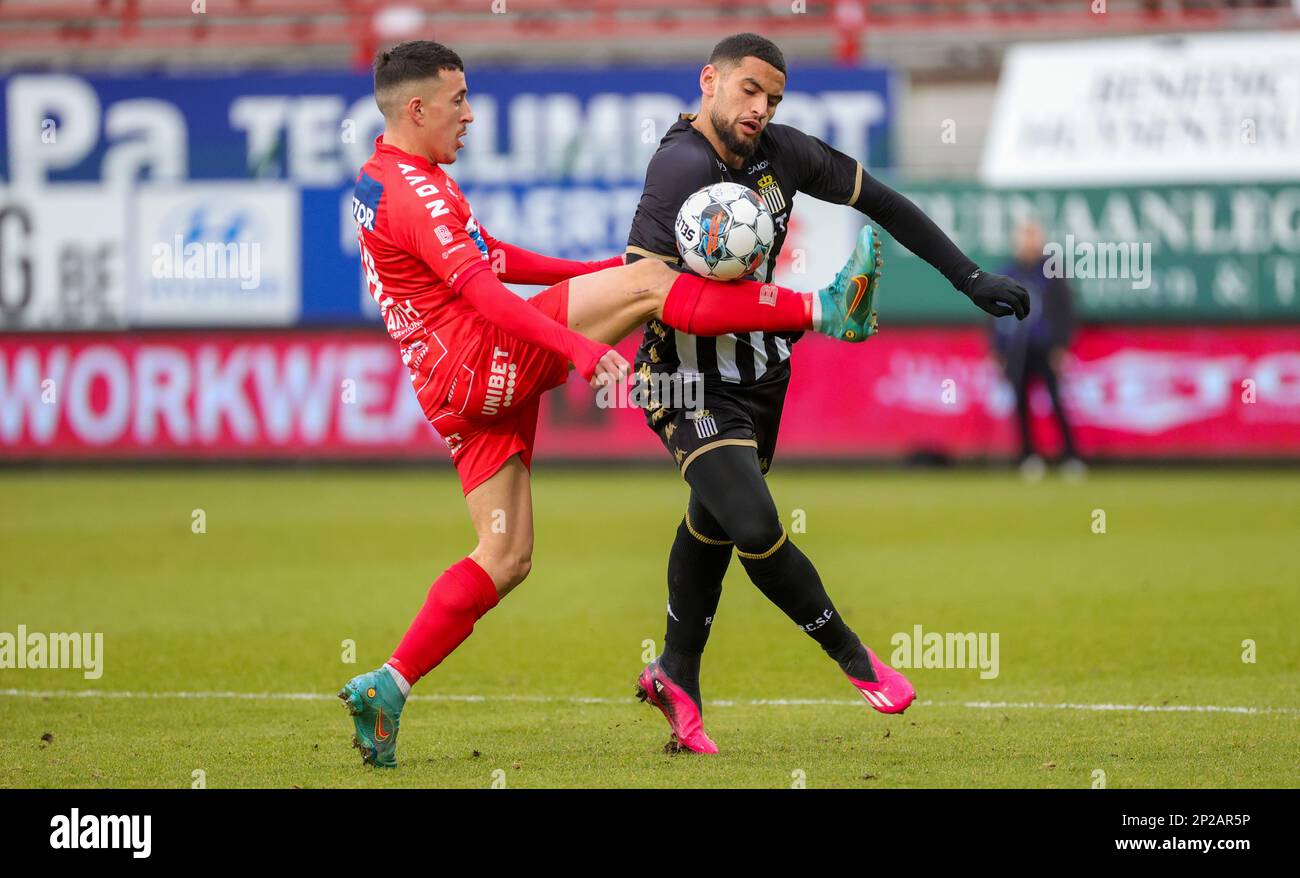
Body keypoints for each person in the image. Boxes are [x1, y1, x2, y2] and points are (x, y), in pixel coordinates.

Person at [337, 40, 893, 767]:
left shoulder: (387, 180)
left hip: (452, 394)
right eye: (458, 101)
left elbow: (493, 256)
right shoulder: (418, 193)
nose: (469, 116)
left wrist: (605, 270)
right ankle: (823, 309)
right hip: (479, 361)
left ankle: (390, 685)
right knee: (654, 287)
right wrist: (581, 347)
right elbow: (483, 292)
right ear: (416, 109)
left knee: (504, 555)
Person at [626, 33, 1031, 753]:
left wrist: (969, 279)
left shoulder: (784, 153)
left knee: (713, 522)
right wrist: (807, 306)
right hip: (685, 375)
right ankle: (853, 656)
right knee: (753, 523)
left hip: (761, 375)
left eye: (773, 98)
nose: (760, 108)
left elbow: (884, 202)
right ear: (709, 82)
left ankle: (676, 674)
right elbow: (649, 294)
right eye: (749, 91)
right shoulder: (677, 168)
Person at [989, 219, 1083, 481]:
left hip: (1045, 347)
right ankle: (1028, 456)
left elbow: (1066, 311)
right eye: (1024, 238)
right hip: (1017, 350)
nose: (1028, 243)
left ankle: (1070, 456)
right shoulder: (1007, 272)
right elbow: (993, 313)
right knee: (1020, 404)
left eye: (1033, 238)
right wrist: (998, 349)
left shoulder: (1051, 272)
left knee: (1056, 401)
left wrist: (1061, 346)